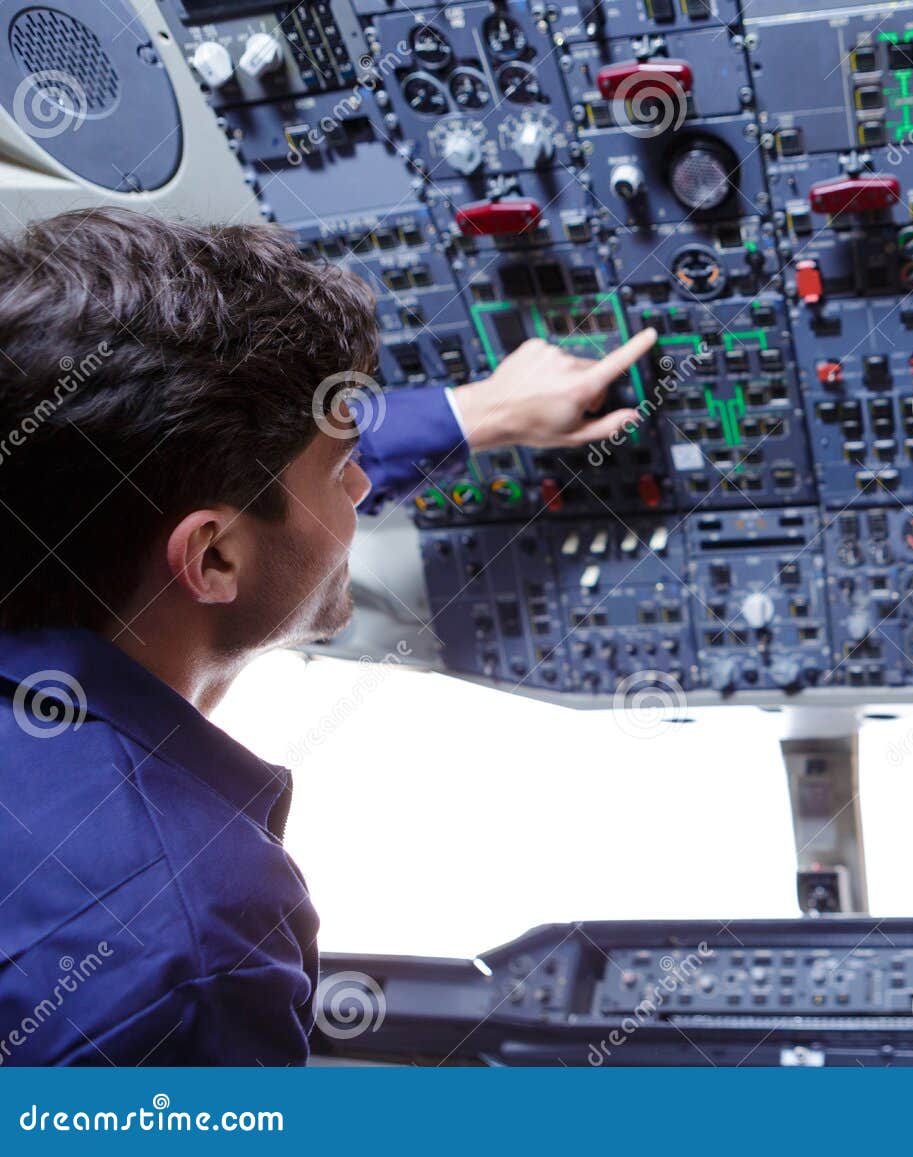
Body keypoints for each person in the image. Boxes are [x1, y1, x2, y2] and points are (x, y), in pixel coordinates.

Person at [0, 208, 653, 1064]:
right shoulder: (191, 933)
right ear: (212, 554)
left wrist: (479, 412)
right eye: (342, 462)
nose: (360, 480)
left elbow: (207, 465)